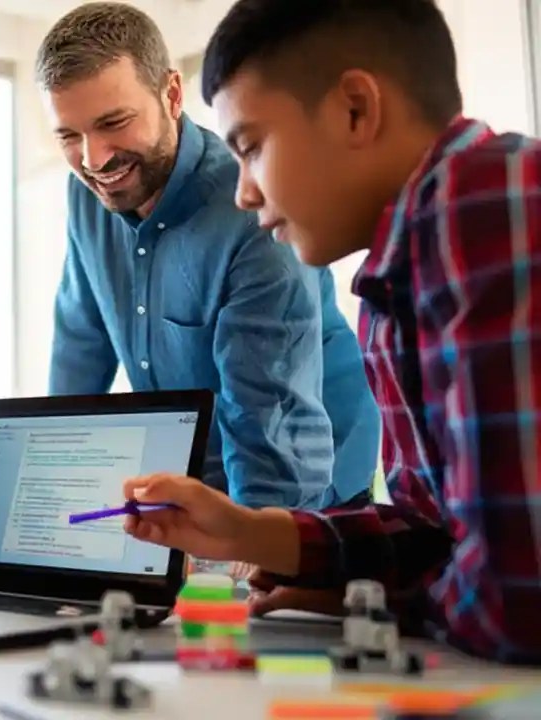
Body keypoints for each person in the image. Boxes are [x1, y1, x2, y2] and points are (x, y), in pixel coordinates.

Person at [121, 0, 541, 663]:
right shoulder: (391, 277)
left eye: (253, 148)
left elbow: (517, 599)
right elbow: (437, 531)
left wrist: (378, 600)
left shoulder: (490, 204)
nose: (244, 194)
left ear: (355, 109)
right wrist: (254, 534)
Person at [38, 2, 380, 510]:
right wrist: (46, 495)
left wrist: (261, 548)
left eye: (114, 122)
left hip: (312, 472)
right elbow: (81, 343)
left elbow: (268, 422)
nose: (94, 159)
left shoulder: (250, 207)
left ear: (171, 94)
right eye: (70, 135)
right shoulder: (84, 195)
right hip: (198, 475)